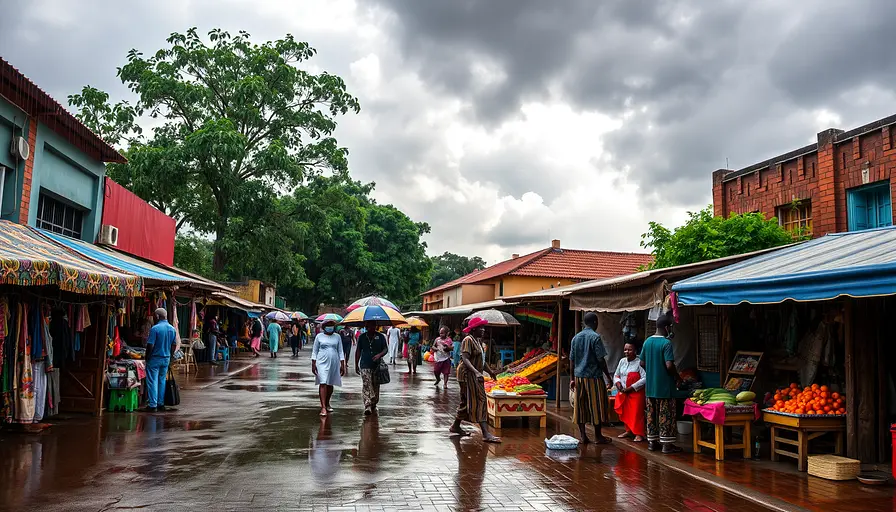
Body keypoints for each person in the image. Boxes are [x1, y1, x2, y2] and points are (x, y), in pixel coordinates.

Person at [449, 317, 501, 443]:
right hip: (467, 375)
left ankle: (455, 426)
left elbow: (481, 361)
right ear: (473, 329)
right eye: (480, 328)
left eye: (483, 327)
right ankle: (485, 433)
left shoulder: (478, 341)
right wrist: (476, 372)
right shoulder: (468, 340)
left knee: (466, 401)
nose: (483, 330)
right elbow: (465, 359)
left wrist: (491, 372)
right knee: (480, 399)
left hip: (474, 374)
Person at [568, 311, 613, 444]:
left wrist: (571, 378)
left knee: (580, 407)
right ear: (595, 322)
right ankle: (598, 436)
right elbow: (600, 359)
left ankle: (583, 436)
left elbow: (572, 360)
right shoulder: (595, 337)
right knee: (597, 406)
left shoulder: (575, 338)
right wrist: (608, 377)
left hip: (578, 377)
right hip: (593, 377)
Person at [641, 311, 682, 453]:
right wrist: (677, 377)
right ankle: (667, 445)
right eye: (670, 327)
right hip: (665, 387)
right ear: (666, 328)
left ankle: (652, 442)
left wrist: (652, 372)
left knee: (651, 415)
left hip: (650, 387)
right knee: (666, 414)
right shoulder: (666, 343)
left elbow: (642, 363)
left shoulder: (647, 342)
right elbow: (669, 365)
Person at [144, 308, 178, 413]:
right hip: (166, 358)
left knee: (152, 380)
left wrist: (147, 357)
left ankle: (152, 405)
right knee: (161, 380)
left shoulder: (155, 329)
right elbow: (174, 344)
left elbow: (150, 345)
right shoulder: (172, 329)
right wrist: (170, 355)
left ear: (158, 316)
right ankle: (160, 403)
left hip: (155, 358)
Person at [613, 342, 647, 442]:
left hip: (636, 393)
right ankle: (628, 431)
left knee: (636, 413)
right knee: (626, 412)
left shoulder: (640, 362)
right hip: (624, 392)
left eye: (629, 350)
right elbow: (616, 375)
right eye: (625, 349)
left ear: (635, 351)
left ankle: (639, 434)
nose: (627, 352)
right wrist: (618, 384)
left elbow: (645, 378)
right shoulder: (622, 361)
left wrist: (632, 388)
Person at [312, 320, 346, 417]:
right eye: (328, 325)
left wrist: (342, 364)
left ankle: (327, 402)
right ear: (324, 327)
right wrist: (313, 363)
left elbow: (340, 351)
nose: (330, 327)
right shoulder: (319, 337)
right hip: (321, 361)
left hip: (334, 362)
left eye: (332, 325)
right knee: (323, 382)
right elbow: (315, 351)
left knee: (330, 383)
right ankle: (323, 407)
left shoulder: (337, 337)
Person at [355, 321, 388, 415]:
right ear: (366, 326)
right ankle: (367, 405)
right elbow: (358, 351)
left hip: (377, 366)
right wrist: (356, 364)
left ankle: (374, 403)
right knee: (366, 383)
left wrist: (380, 355)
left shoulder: (381, 337)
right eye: (369, 326)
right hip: (364, 364)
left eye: (373, 326)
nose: (371, 328)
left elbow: (385, 349)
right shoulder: (362, 337)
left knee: (375, 385)